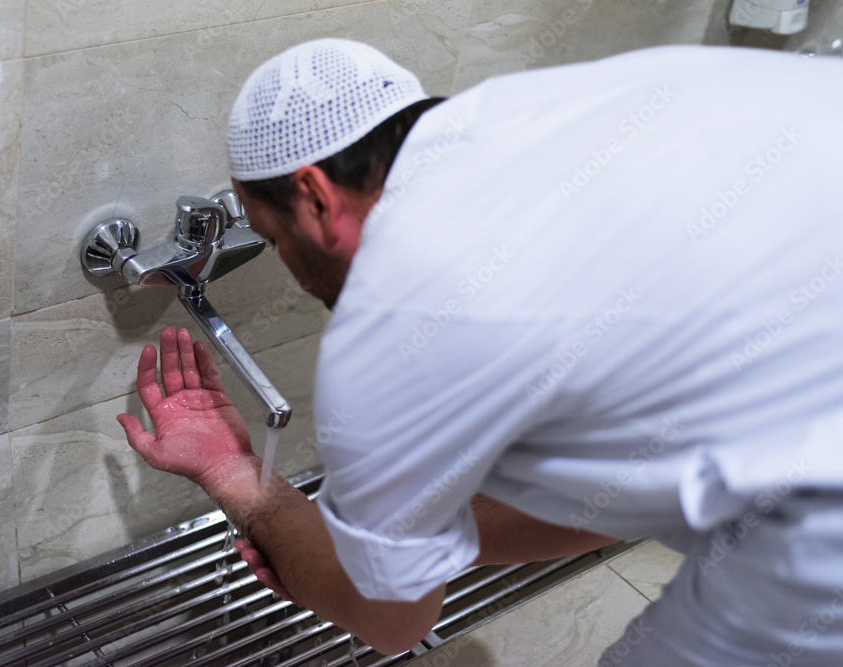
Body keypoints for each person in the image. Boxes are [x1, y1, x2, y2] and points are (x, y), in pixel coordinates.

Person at [118, 39, 843, 664]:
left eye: (273, 239)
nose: (287, 265)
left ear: (313, 196)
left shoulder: (395, 324)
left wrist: (242, 481)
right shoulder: (534, 111)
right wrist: (422, 541)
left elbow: (393, 622)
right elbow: (645, 475)